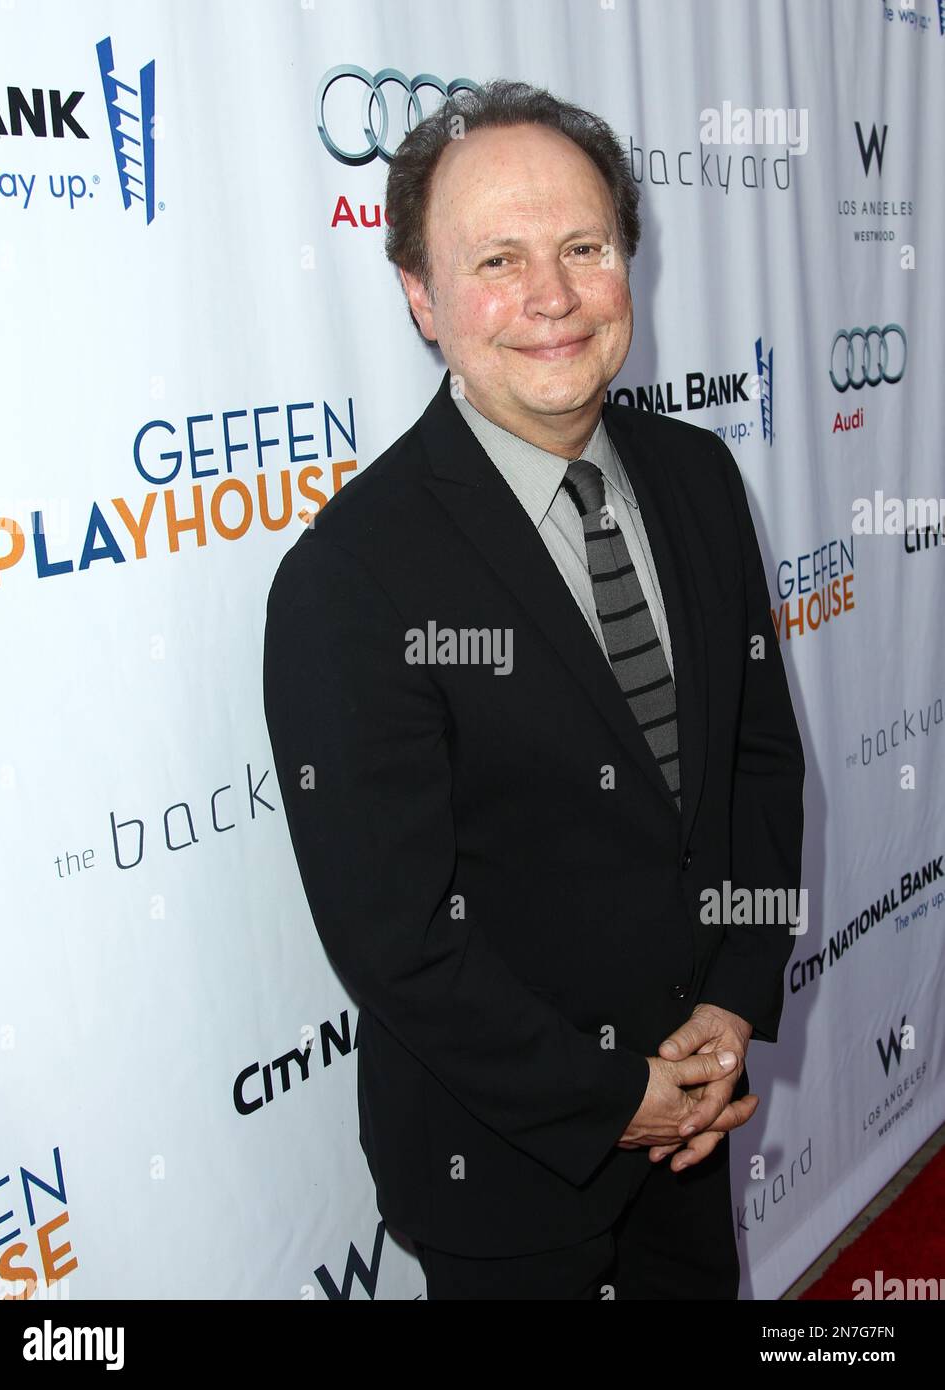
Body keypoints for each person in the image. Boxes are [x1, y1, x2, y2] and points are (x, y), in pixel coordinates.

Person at [263, 80, 805, 1300]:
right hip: (505, 1172)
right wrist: (616, 1098)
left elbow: (758, 763)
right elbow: (393, 936)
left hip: (692, 1122)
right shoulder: (352, 576)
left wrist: (732, 999)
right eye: (497, 259)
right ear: (421, 297)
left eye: (582, 249)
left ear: (627, 264)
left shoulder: (701, 476)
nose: (552, 297)